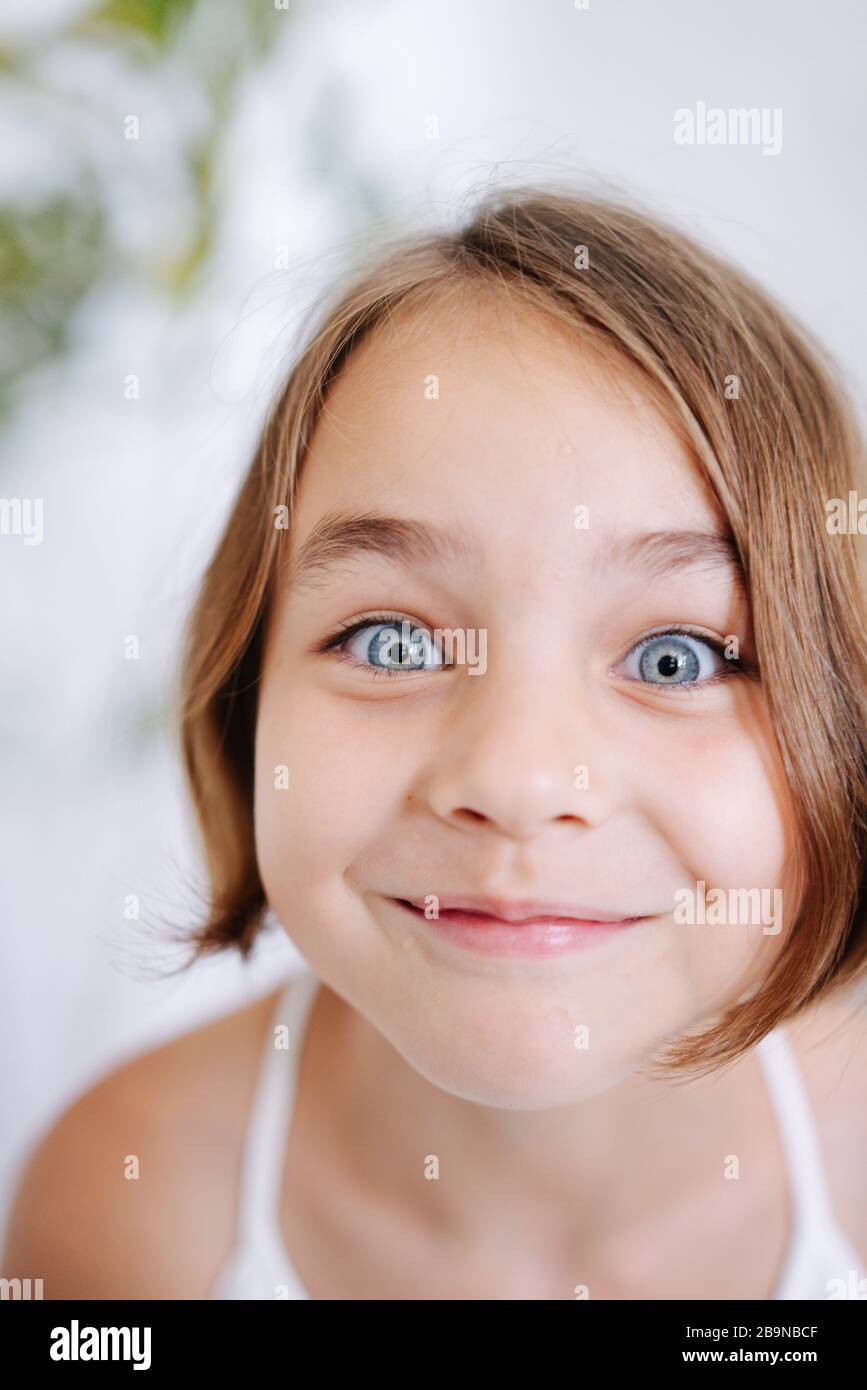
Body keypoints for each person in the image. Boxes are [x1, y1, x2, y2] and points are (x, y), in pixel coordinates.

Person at [4, 187, 867, 1300]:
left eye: (677, 658)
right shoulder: (125, 1207)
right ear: (243, 689)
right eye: (394, 639)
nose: (514, 780)